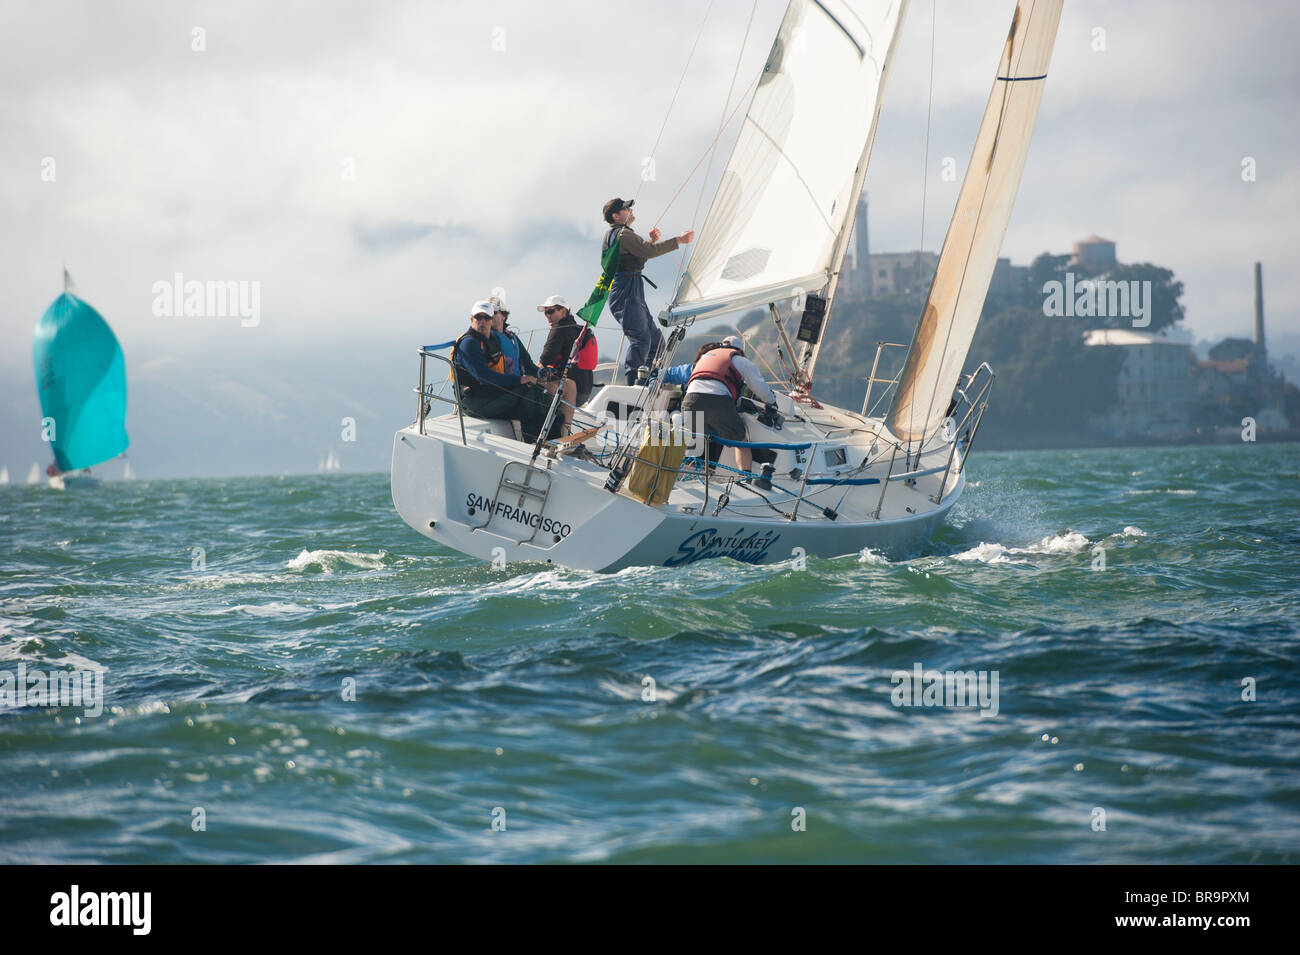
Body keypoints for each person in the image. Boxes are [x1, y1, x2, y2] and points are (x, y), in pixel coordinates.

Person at [601, 197, 694, 385]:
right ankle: (634, 384)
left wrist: (650, 241)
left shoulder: (620, 234)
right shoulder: (623, 235)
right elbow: (649, 252)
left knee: (655, 340)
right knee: (641, 339)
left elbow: (640, 258)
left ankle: (648, 379)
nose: (631, 211)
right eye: (626, 209)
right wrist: (679, 240)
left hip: (631, 288)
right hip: (626, 290)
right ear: (616, 215)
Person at [452, 300, 562, 444]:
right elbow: (485, 377)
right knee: (525, 392)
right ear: (471, 320)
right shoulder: (469, 344)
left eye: (487, 318)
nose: (482, 321)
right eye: (478, 317)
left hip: (489, 395)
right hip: (473, 401)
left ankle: (557, 439)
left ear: (492, 321)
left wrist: (543, 374)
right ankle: (537, 442)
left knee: (539, 395)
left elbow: (527, 364)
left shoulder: (492, 340)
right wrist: (520, 380)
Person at [682, 335, 778, 473]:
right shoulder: (740, 360)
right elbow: (761, 389)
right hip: (718, 403)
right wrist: (772, 402)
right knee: (740, 441)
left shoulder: (706, 356)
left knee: (694, 440)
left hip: (690, 400)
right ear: (740, 350)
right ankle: (745, 478)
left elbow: (708, 381)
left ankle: (686, 476)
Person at [536, 295, 597, 431]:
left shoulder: (559, 328)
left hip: (568, 391)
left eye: (551, 311)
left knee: (530, 383)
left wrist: (525, 374)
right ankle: (565, 430)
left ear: (563, 311)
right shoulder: (581, 331)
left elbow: (544, 361)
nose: (547, 316)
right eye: (545, 313)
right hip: (584, 392)